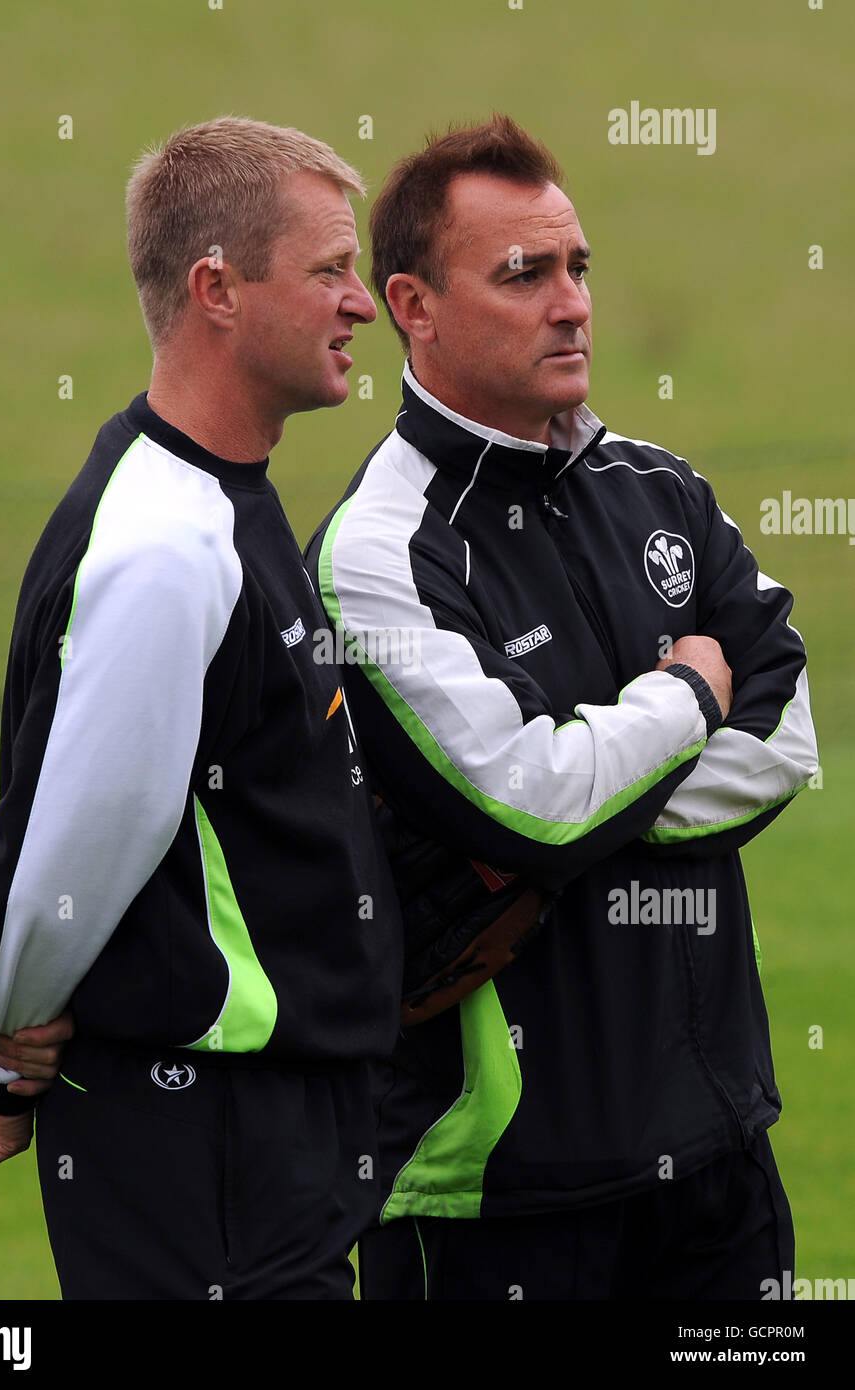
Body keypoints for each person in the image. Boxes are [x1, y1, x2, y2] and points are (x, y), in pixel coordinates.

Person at [305, 114, 819, 1300]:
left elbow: (787, 741)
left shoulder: (663, 489)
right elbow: (527, 805)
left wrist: (592, 778)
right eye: (523, 274)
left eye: (577, 265)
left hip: (720, 1163)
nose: (572, 302)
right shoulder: (378, 551)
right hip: (496, 1197)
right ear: (411, 305)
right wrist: (688, 694)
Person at [0, 116, 403, 1300]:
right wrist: (1, 1035)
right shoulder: (163, 545)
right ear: (219, 289)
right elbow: (73, 840)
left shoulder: (214, 499)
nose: (363, 303)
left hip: (257, 1153)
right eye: (330, 270)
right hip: (207, 1155)